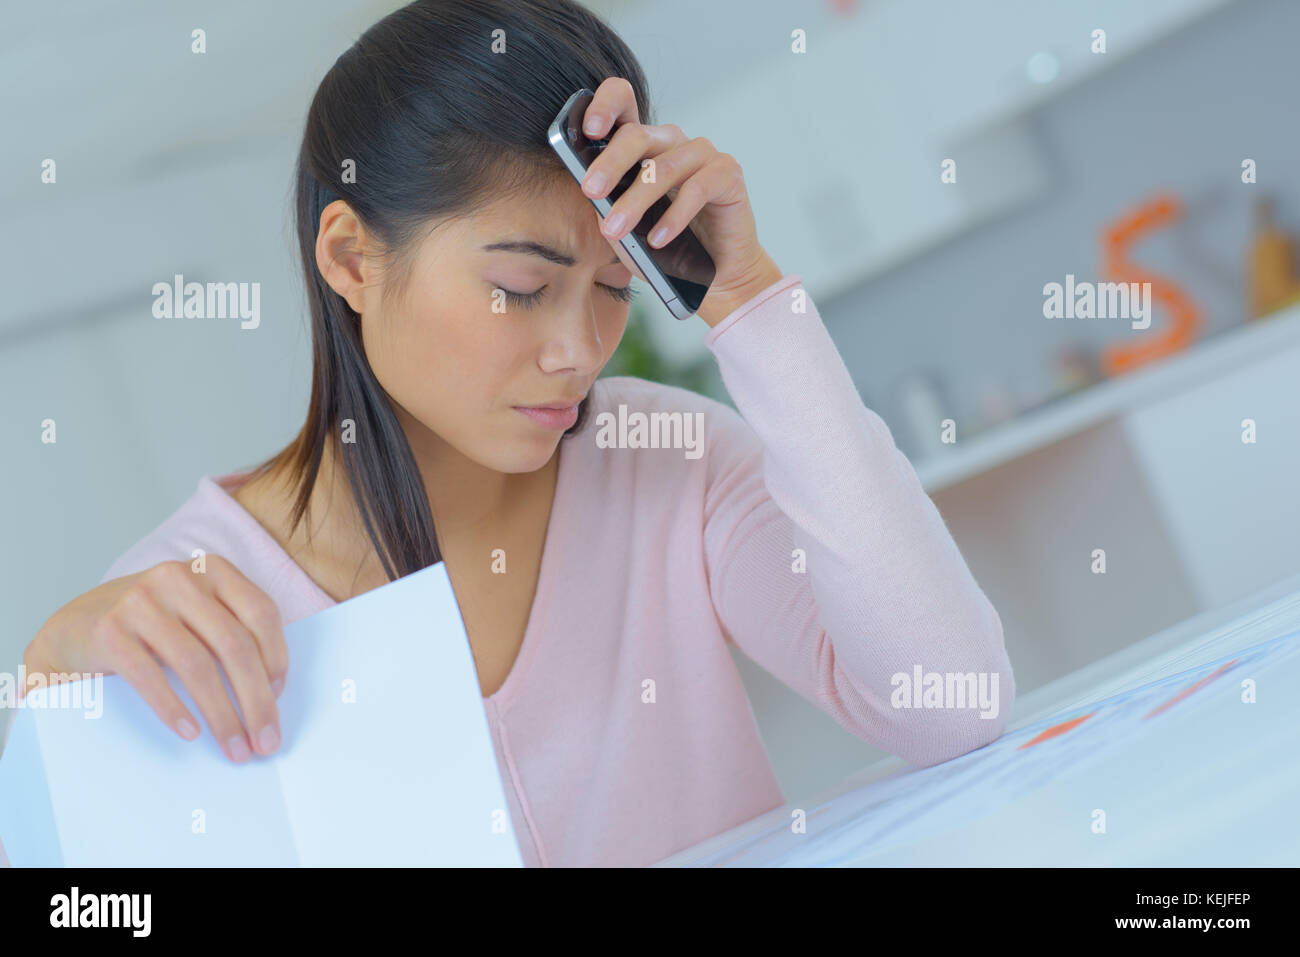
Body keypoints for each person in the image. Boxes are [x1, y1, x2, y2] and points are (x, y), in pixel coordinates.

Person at [19, 0, 1015, 867]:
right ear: (351, 259)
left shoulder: (668, 463)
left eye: (616, 290)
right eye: (521, 290)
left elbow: (952, 703)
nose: (578, 352)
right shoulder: (184, 608)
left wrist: (750, 300)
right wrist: (41, 682)